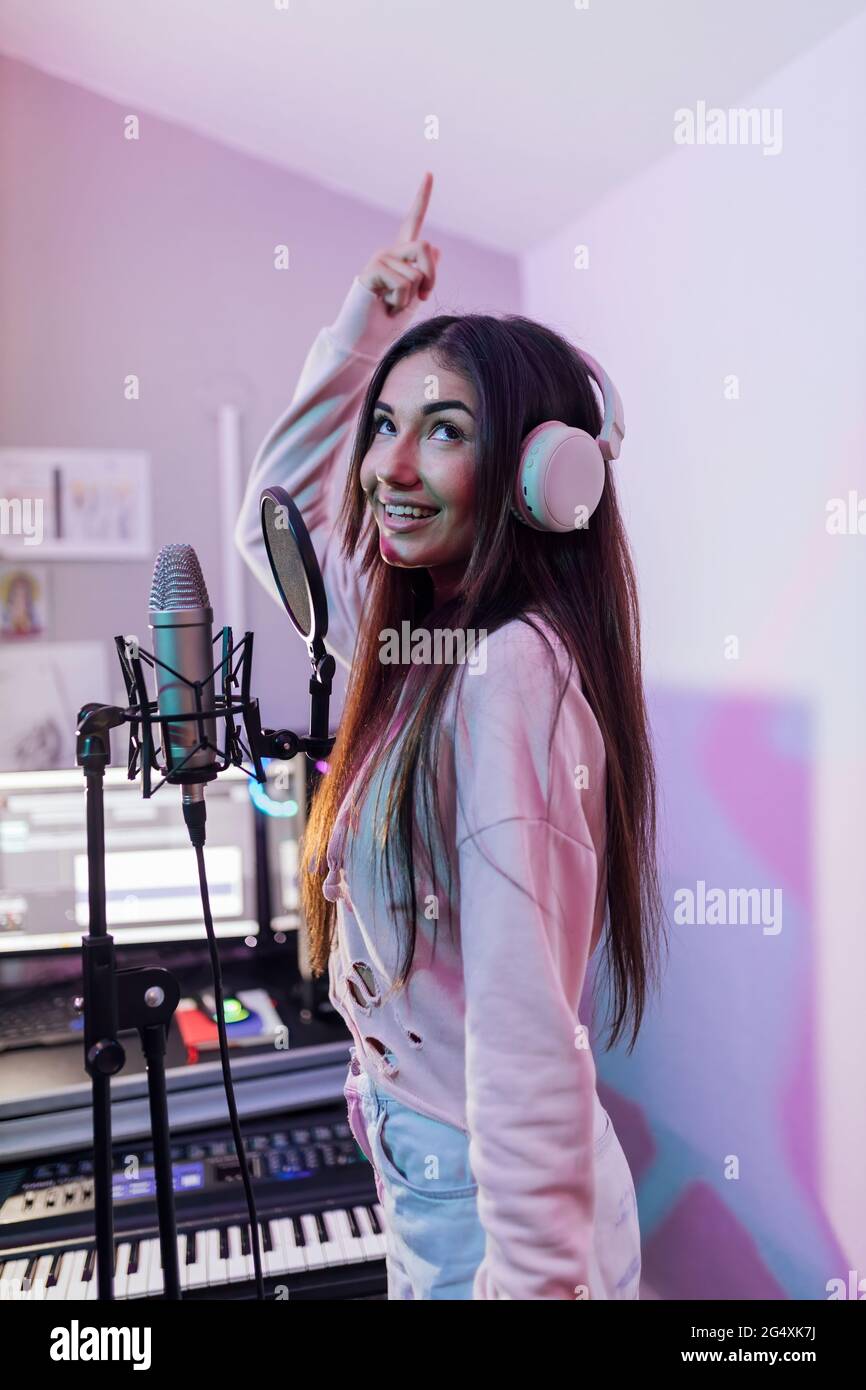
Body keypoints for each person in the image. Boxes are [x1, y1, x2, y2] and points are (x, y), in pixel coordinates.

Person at [235, 172, 664, 1300]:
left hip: (495, 1212)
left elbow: (528, 1059)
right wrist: (363, 320)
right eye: (386, 425)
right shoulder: (412, 641)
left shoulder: (509, 677)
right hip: (425, 1174)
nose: (388, 466)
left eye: (443, 432)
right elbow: (270, 512)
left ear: (539, 477)